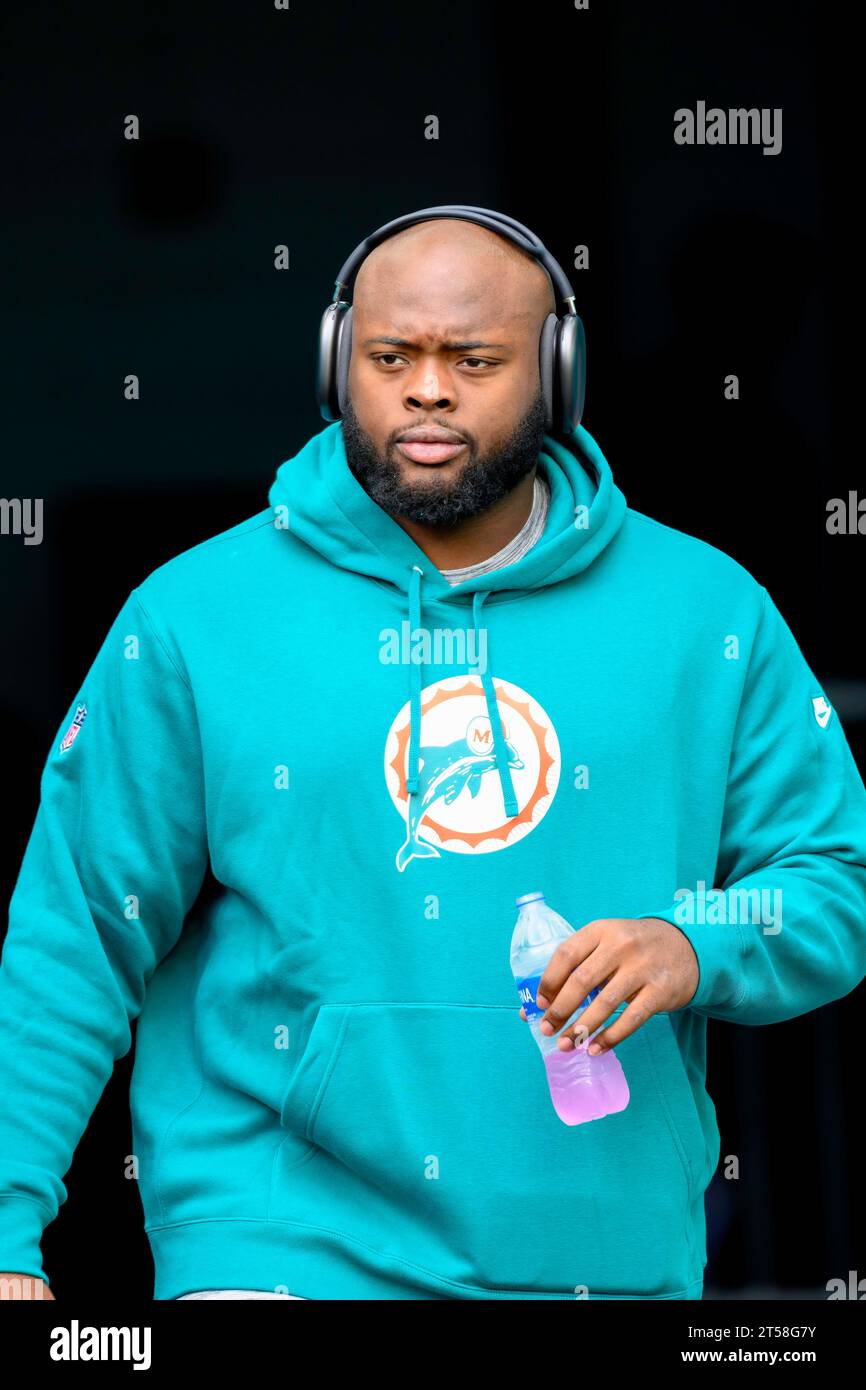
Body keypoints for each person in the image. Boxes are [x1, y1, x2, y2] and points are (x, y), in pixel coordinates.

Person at [2, 207, 865, 1303]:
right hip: (279, 1256)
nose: (425, 389)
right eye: (390, 356)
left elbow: (835, 881)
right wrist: (6, 1228)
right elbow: (74, 932)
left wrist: (691, 942)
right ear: (335, 364)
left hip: (606, 1266)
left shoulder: (703, 611)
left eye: (472, 359)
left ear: (556, 374)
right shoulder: (196, 618)